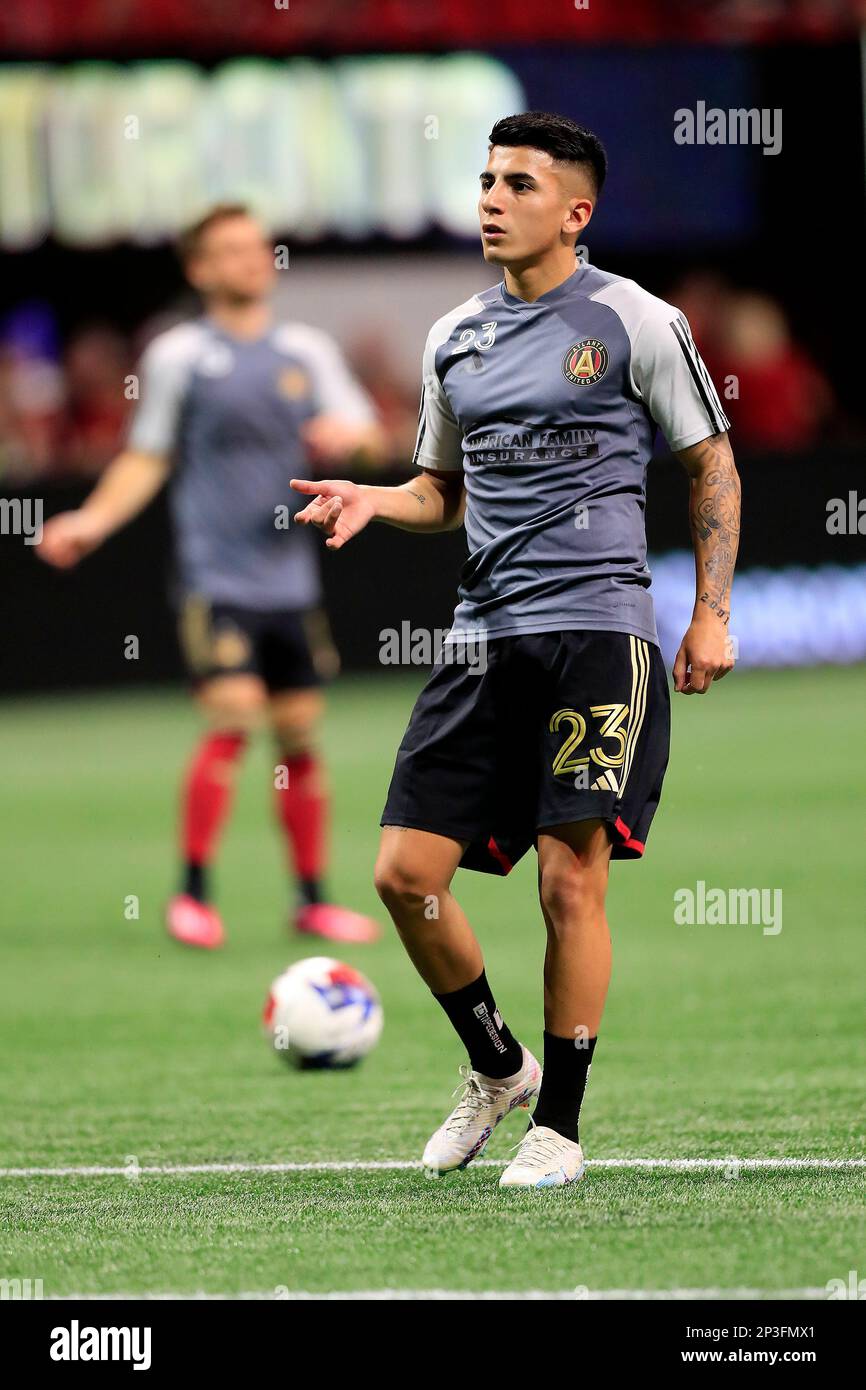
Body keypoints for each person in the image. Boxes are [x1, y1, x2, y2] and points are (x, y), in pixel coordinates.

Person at [291, 112, 740, 1188]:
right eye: (486, 178)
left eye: (518, 183)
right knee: (404, 875)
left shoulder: (635, 320)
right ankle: (498, 1068)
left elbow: (710, 466)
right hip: (482, 637)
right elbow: (441, 490)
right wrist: (373, 495)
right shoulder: (454, 335)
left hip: (597, 633)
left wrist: (709, 611)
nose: (491, 197)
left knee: (565, 881)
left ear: (573, 211)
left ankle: (561, 1130)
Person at [38, 204, 383, 950]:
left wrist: (350, 439)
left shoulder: (306, 351)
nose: (249, 260)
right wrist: (90, 523)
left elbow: (368, 435)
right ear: (199, 269)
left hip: (291, 581)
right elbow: (146, 455)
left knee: (298, 737)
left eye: (257, 248)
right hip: (215, 578)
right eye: (228, 250)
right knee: (232, 719)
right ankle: (192, 894)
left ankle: (312, 900)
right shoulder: (179, 355)